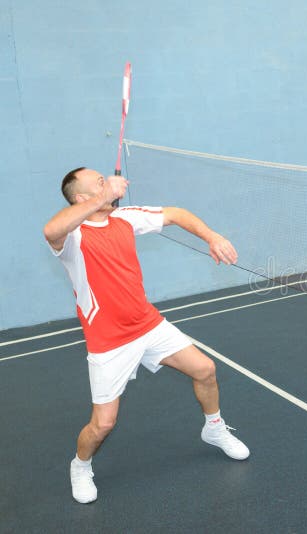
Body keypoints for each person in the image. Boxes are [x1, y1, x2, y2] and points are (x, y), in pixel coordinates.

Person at [43, 167, 250, 504]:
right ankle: (80, 466)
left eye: (104, 181)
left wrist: (212, 237)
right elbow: (50, 229)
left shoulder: (125, 217)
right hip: (108, 341)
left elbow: (177, 214)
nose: (107, 184)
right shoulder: (71, 236)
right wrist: (103, 194)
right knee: (103, 424)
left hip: (148, 325)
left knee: (205, 370)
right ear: (81, 197)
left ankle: (213, 427)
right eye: (98, 182)